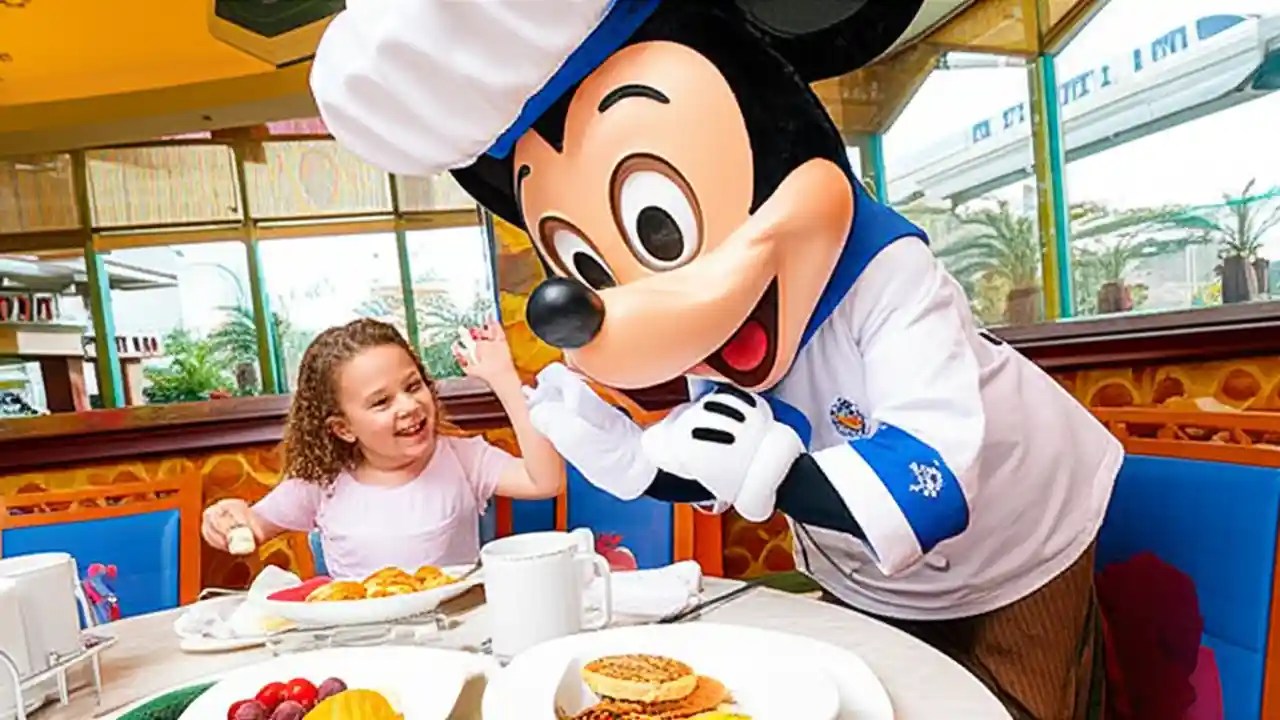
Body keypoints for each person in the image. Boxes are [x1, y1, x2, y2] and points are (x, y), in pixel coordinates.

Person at [308, 1, 1119, 717]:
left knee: (1020, 704)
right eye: (593, 267)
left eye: (659, 229)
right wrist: (636, 459)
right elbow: (723, 451)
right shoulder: (706, 324)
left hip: (1022, 532)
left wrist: (780, 470)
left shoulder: (889, 279)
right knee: (886, 702)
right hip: (860, 569)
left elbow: (934, 483)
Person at [201, 318, 565, 579]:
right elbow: (250, 526)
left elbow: (545, 481)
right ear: (343, 428)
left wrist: (504, 377)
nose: (408, 406)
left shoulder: (462, 457)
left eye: (413, 386)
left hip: (458, 639)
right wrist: (225, 516)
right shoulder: (321, 483)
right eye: (380, 403)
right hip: (361, 649)